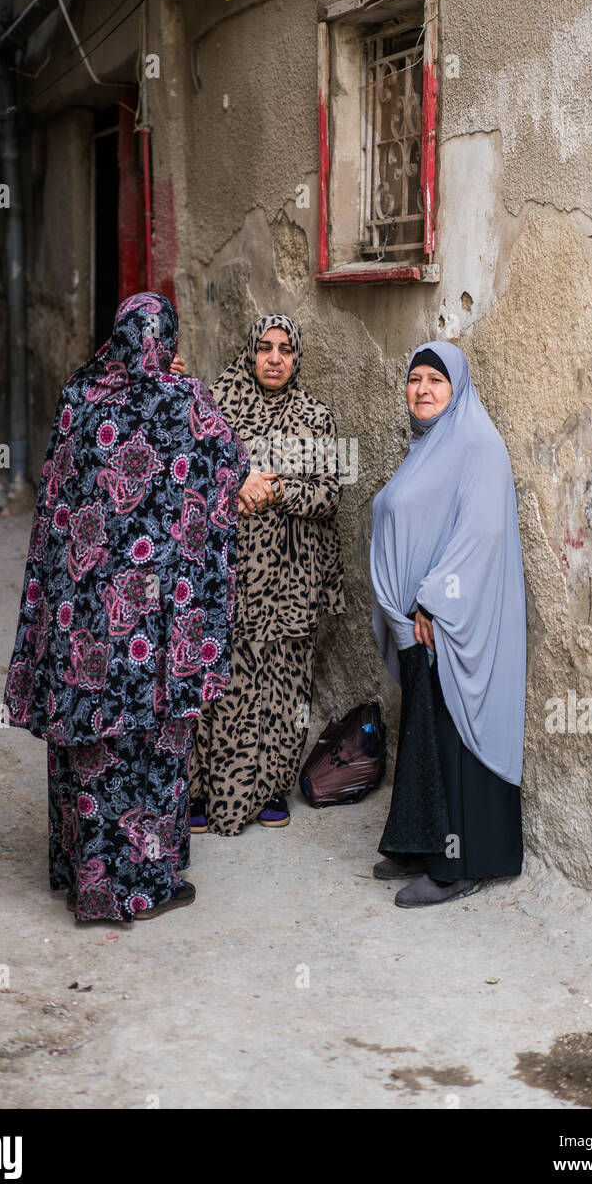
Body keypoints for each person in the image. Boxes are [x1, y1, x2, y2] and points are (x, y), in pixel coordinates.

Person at [2, 293, 249, 922]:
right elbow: (230, 468)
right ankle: (143, 887)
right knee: (151, 747)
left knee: (90, 744)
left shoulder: (79, 397)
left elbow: (53, 506)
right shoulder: (183, 400)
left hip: (83, 615)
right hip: (158, 619)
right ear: (166, 339)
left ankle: (84, 879)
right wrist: (182, 378)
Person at [369, 342, 525, 908]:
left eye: (436, 379)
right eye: (415, 379)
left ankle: (462, 863)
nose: (424, 389)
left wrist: (434, 600)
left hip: (453, 620)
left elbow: (480, 533)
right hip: (418, 625)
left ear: (456, 388)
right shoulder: (426, 447)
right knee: (425, 730)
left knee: (456, 731)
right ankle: (420, 841)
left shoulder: (479, 445)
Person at [181, 314, 345, 834]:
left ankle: (273, 787)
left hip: (294, 575)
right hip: (228, 572)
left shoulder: (315, 416)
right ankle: (205, 792)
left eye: (286, 350)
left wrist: (276, 491)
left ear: (297, 358)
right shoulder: (215, 406)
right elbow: (191, 475)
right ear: (250, 351)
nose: (275, 358)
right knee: (223, 680)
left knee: (285, 686)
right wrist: (237, 485)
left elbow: (330, 492)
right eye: (266, 348)